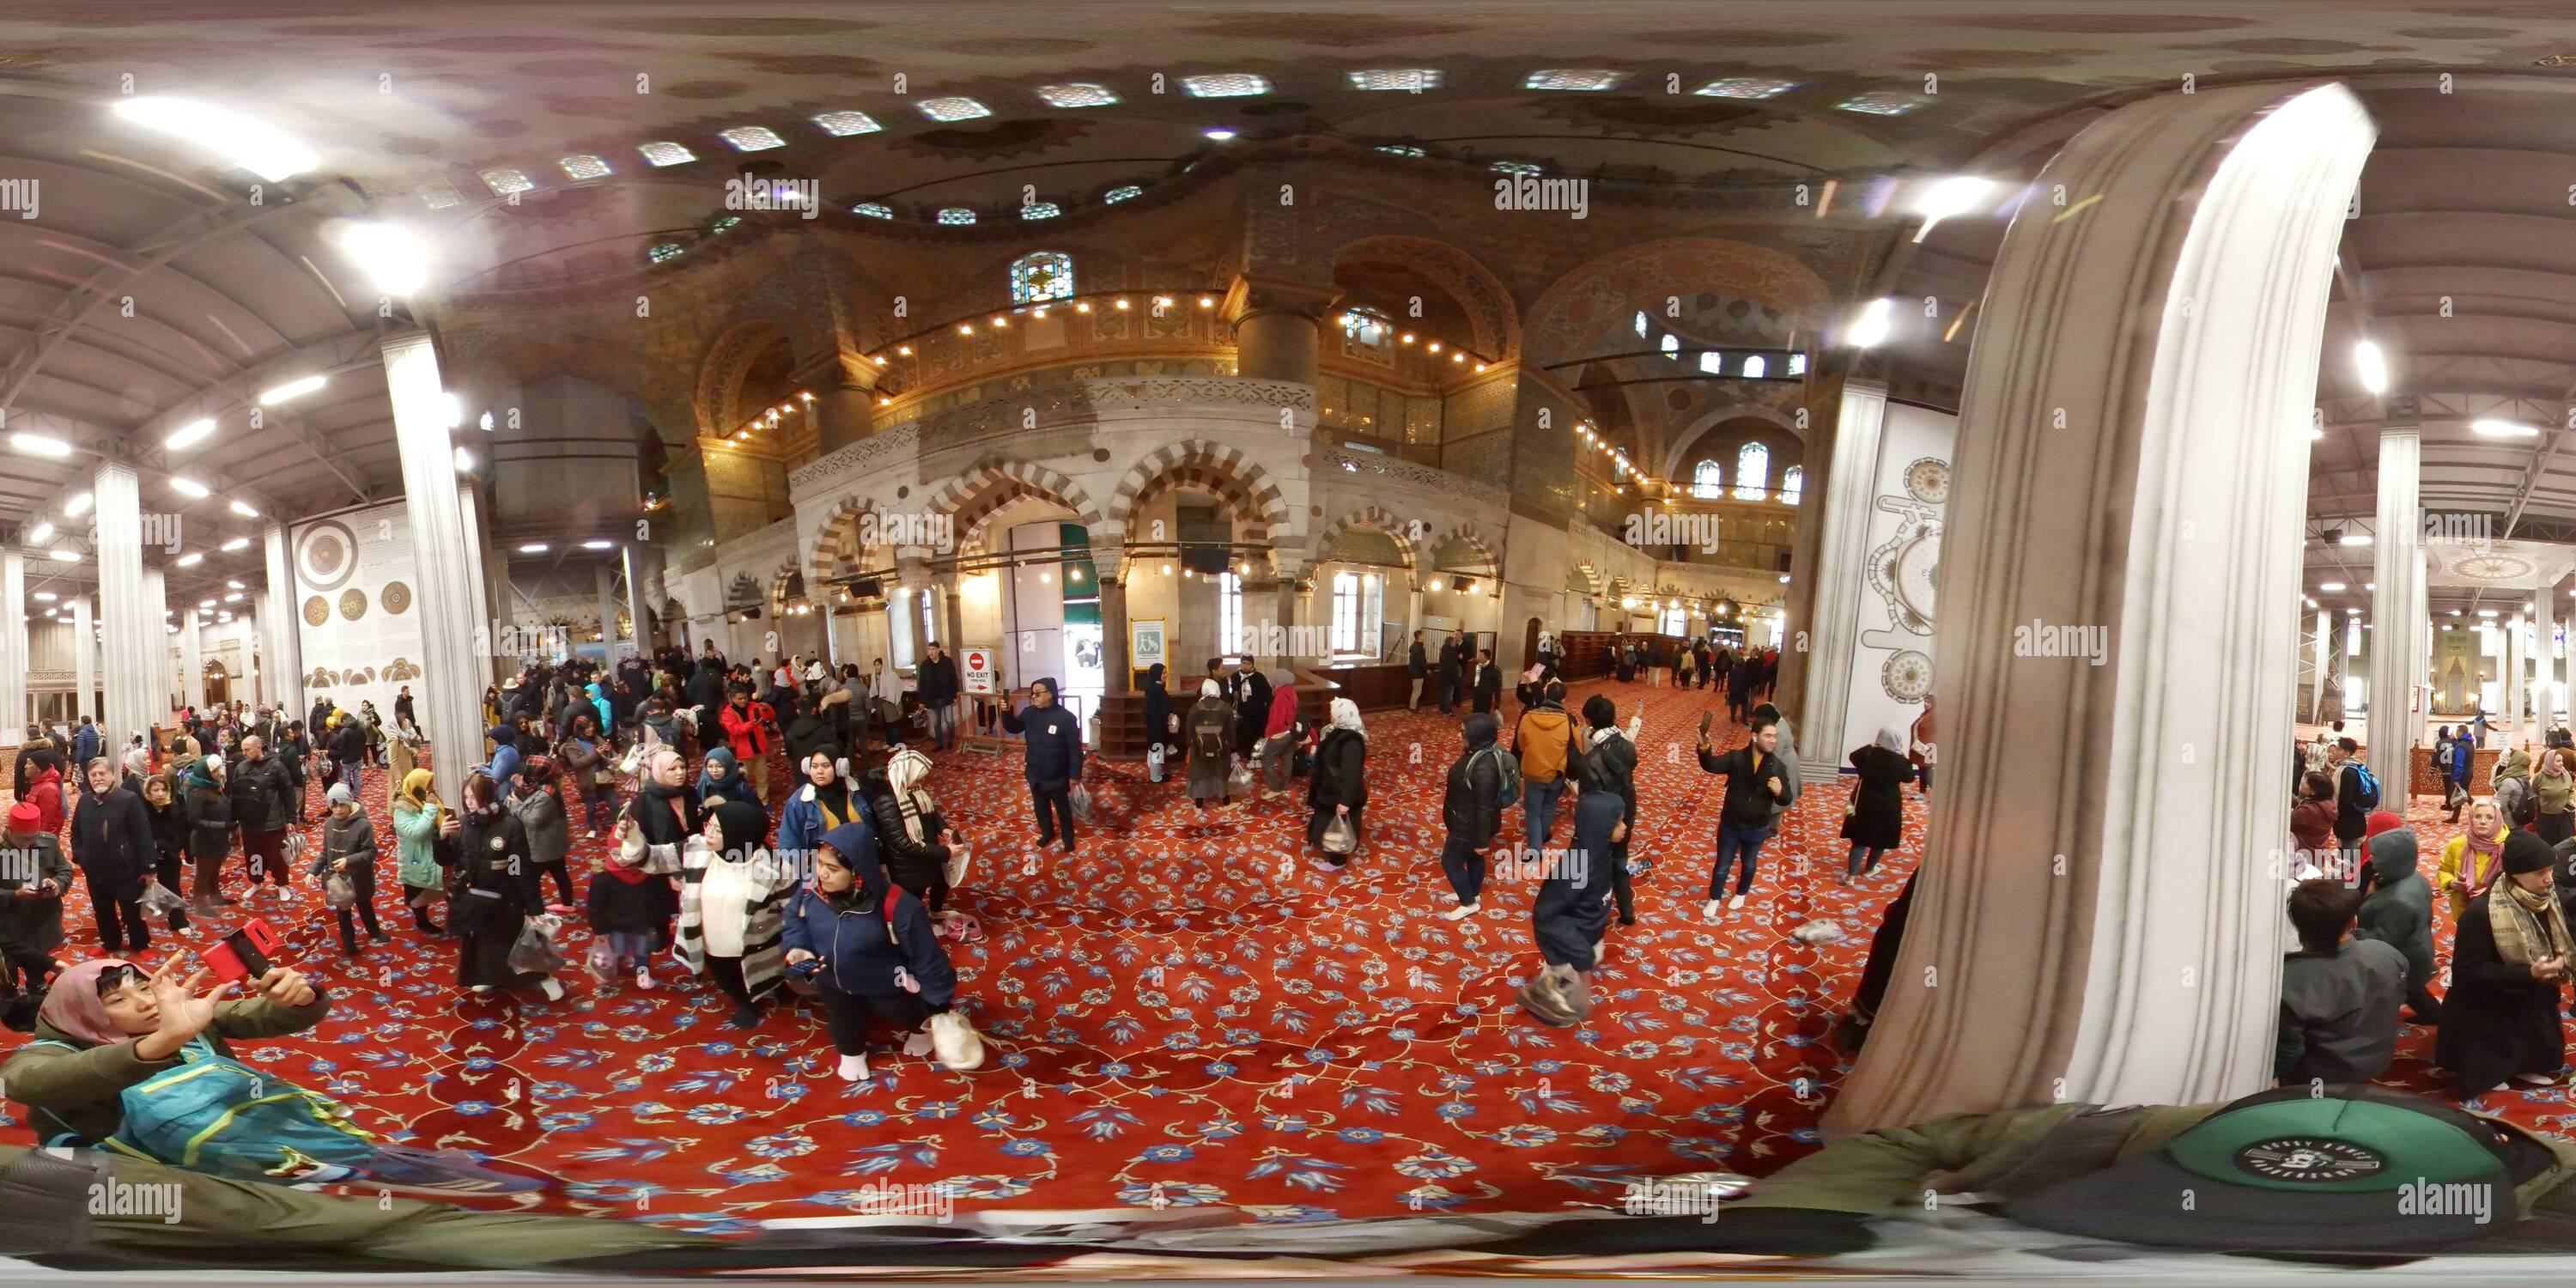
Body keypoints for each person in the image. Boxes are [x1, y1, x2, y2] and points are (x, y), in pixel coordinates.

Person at [5, 956, 325, 1148]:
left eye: (145, 988)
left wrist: (299, 998)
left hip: (220, 1134)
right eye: (118, 1000)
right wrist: (160, 1043)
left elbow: (261, 1014)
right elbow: (26, 1082)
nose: (146, 1002)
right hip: (133, 1169)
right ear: (82, 1014)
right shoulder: (59, 1047)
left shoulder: (179, 1016)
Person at [781, 822, 959, 1083]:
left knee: (905, 1011)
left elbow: (926, 958)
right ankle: (852, 1052)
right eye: (819, 863)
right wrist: (799, 948)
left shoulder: (899, 906)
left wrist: (939, 1003)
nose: (822, 874)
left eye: (833, 869)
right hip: (833, 980)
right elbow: (794, 919)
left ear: (857, 872)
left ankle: (919, 1030)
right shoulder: (810, 890)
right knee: (842, 1017)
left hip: (885, 983)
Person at [2435, 830, 2570, 1095]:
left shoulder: (2544, 900)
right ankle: (2494, 1067)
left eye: (2550, 870)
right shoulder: (2480, 914)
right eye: (2540, 873)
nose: (2548, 880)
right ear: (2516, 874)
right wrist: (2528, 973)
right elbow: (2468, 974)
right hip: (2488, 999)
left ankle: (2527, 1062)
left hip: (2532, 988)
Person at [671, 797, 793, 1023]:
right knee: (727, 977)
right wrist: (629, 838)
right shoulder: (696, 848)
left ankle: (775, 985)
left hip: (759, 941)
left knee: (766, 968)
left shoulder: (774, 866)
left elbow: (795, 908)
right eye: (709, 825)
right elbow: (653, 858)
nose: (708, 832)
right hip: (713, 942)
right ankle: (744, 1003)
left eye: (717, 829)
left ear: (739, 833)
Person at [2275, 878, 2406, 1085]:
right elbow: (2398, 998)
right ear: (2354, 922)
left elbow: (2288, 1052)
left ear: (2298, 925)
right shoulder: (2387, 953)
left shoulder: (2287, 980)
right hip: (2379, 1060)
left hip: (2319, 1078)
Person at [452, 772, 563, 1002]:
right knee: (483, 947)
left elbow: (519, 870)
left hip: (504, 900)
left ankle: (544, 979)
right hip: (475, 899)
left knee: (516, 949)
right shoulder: (464, 823)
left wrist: (533, 907)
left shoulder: (510, 825)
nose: (469, 802)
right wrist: (440, 838)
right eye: (466, 797)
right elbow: (450, 859)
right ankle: (490, 977)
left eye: (474, 797)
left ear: (488, 797)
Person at [1532, 784, 1623, 1012]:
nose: (1625, 827)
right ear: (1601, 826)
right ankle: (1545, 992)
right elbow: (1547, 915)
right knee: (1573, 975)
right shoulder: (1578, 866)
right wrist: (1581, 956)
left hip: (1588, 930)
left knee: (1593, 957)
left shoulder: (1600, 850)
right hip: (1570, 941)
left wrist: (1623, 867)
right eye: (1618, 822)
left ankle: (1557, 983)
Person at [1697, 714, 1794, 917]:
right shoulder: (1736, 758)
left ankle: (1741, 892)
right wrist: (1704, 747)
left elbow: (1787, 799)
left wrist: (1779, 791)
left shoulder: (1777, 766)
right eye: (1768, 736)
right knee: (1722, 865)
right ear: (1755, 736)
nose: (1773, 740)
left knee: (1749, 863)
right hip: (1731, 824)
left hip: (1757, 826)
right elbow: (1711, 766)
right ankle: (1714, 898)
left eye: (1774, 736)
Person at [2355, 813, 2442, 1024]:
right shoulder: (2413, 876)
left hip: (2407, 957)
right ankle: (2436, 1015)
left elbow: (2381, 940)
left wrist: (2355, 935)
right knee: (2413, 990)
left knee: (2410, 989)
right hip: (2416, 946)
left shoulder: (2398, 902)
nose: (2373, 859)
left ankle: (2437, 1016)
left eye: (2378, 856)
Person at [69, 759, 155, 955]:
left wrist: (149, 868)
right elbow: (76, 833)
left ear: (112, 775)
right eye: (93, 775)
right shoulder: (84, 801)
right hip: (95, 870)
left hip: (126, 869)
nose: (98, 778)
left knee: (132, 910)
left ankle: (140, 944)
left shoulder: (129, 799)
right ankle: (110, 942)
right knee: (102, 910)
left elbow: (143, 835)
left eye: (102, 773)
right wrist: (81, 856)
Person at [864, 748, 958, 916]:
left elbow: (931, 812)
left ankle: (934, 912)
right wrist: (946, 852)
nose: (920, 782)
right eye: (916, 778)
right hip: (907, 864)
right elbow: (903, 843)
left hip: (926, 851)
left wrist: (943, 828)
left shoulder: (913, 790)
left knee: (942, 881)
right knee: (913, 898)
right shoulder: (887, 801)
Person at [1000, 677, 1084, 855]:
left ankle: (1068, 838)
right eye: (1033, 694)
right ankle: (1047, 833)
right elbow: (1014, 728)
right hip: (1035, 772)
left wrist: (1075, 775)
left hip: (1057, 776)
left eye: (1038, 693)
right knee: (1040, 808)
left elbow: (1075, 749)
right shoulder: (1029, 713)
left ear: (1051, 694)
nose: (1034, 697)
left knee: (1063, 810)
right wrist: (1006, 713)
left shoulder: (1065, 718)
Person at [1437, 714, 1508, 922]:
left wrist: (1481, 840)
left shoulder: (1484, 767)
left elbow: (1484, 807)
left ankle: (1468, 902)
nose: (1461, 735)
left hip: (1468, 825)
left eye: (1464, 732)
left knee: (1450, 861)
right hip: (1467, 819)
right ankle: (1472, 892)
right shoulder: (1479, 754)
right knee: (1473, 858)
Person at [1576, 695, 1638, 927]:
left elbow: (1590, 804)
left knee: (1589, 866)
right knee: (1620, 861)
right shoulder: (1628, 746)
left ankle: (1589, 912)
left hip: (1603, 821)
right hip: (1627, 812)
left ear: (1590, 721)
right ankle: (1627, 912)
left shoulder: (1591, 760)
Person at [0, 802, 72, 994]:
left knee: (38, 964)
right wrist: (14, 895)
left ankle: (36, 987)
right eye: (22, 839)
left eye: (32, 838)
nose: (27, 843)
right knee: (8, 970)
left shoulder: (48, 842)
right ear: (9, 829)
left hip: (42, 920)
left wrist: (58, 885)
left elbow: (65, 870)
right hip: (9, 922)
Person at [310, 782, 388, 956]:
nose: (338, 810)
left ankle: (374, 932)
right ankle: (348, 942)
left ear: (350, 803)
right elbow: (325, 853)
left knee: (364, 905)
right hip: (338, 879)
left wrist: (348, 860)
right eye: (334, 805)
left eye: (342, 805)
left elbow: (371, 852)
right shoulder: (329, 824)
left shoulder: (363, 825)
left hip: (358, 876)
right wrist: (312, 871)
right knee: (343, 912)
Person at [1512, 679, 1582, 854]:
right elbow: (1578, 747)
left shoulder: (1528, 716)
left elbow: (1521, 744)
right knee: (1549, 807)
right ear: (1564, 699)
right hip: (1557, 771)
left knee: (1532, 811)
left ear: (1546, 694)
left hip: (1533, 770)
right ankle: (1541, 837)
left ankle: (1535, 847)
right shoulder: (1569, 720)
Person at [1841, 726, 1917, 884]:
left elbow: (1853, 755)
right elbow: (1910, 777)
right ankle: (1869, 870)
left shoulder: (1868, 755)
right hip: (1889, 804)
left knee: (1860, 839)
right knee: (1881, 838)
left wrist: (1873, 744)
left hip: (1865, 801)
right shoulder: (1898, 761)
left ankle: (1851, 876)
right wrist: (1902, 754)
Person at [228, 735, 296, 898]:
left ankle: (281, 885)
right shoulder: (241, 768)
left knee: (277, 856)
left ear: (259, 747)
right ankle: (256, 882)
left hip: (272, 822)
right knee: (254, 856)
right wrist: (234, 818)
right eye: (242, 750)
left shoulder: (276, 766)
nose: (244, 753)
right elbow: (235, 794)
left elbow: (288, 793)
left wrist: (291, 819)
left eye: (247, 749)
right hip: (249, 823)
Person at [391, 769, 456, 936]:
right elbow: (416, 833)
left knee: (448, 886)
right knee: (418, 894)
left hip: (434, 852)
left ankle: (457, 916)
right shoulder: (402, 809)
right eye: (428, 785)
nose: (431, 788)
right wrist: (430, 809)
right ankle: (422, 922)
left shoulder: (424, 801)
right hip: (416, 859)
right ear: (416, 787)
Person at [506, 762, 579, 908]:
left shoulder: (545, 795)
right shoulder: (544, 788)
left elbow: (532, 820)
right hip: (552, 843)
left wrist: (516, 804)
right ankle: (567, 904)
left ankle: (535, 909)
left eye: (521, 777)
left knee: (530, 879)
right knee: (560, 873)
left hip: (543, 846)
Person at [777, 746, 862, 869]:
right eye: (814, 766)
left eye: (826, 766)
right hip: (823, 872)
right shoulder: (799, 802)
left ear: (840, 768)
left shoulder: (858, 791)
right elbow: (788, 847)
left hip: (862, 864)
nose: (819, 771)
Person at [1307, 698, 1368, 863]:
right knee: (1325, 822)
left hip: (1339, 793)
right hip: (1329, 788)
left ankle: (1337, 861)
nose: (1330, 715)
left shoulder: (1351, 742)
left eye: (1333, 712)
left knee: (1339, 831)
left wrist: (1345, 801)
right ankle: (1319, 840)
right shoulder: (1337, 731)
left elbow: (1352, 773)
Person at [2439, 798, 2511, 921]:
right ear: (2471, 819)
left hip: (2497, 910)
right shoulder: (2457, 844)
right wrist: (2451, 882)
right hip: (2463, 908)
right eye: (2477, 816)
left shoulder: (2509, 846)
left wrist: (2493, 890)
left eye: (2489, 817)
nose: (2483, 821)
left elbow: (2518, 880)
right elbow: (2443, 870)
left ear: (2497, 820)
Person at [134, 776, 188, 937]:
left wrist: (169, 847)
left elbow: (182, 834)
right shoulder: (140, 810)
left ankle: (178, 921)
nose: (159, 794)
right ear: (148, 793)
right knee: (139, 889)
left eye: (163, 790)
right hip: (146, 857)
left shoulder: (175, 809)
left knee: (172, 888)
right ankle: (136, 920)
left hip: (169, 856)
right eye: (155, 790)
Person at [556, 713, 617, 838]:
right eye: (587, 728)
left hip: (603, 776)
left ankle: (616, 826)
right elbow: (578, 763)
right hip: (587, 779)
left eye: (592, 726)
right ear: (580, 729)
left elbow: (608, 755)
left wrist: (608, 749)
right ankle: (592, 827)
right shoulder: (572, 743)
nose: (591, 730)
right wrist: (596, 754)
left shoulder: (596, 738)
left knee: (614, 803)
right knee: (591, 807)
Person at [719, 683, 779, 804]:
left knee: (762, 778)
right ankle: (744, 802)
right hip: (742, 752)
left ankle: (763, 801)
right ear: (732, 698)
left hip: (758, 748)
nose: (744, 701)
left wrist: (767, 708)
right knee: (741, 779)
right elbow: (735, 730)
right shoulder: (727, 713)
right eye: (740, 698)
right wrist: (753, 724)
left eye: (745, 697)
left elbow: (770, 717)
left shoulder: (754, 706)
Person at [1185, 678, 1235, 813]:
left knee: (1200, 774)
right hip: (1221, 749)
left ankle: (1199, 806)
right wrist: (1233, 748)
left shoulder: (1195, 708)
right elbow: (1231, 731)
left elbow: (1188, 730)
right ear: (1217, 690)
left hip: (1199, 748)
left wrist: (1190, 744)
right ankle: (1226, 803)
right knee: (1221, 773)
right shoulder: (1225, 708)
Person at [2326, 737, 2371, 877]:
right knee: (2347, 851)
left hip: (2348, 821)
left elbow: (2345, 800)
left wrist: (2335, 815)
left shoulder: (2347, 771)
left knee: (2349, 856)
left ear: (2346, 753)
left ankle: (2350, 882)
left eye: (2338, 749)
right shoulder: (2356, 767)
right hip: (2354, 818)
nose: (2335, 752)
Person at [1258, 669, 1298, 797]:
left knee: (1267, 759)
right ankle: (1284, 784)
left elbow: (1277, 721)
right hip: (1292, 731)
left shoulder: (1280, 696)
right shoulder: (1291, 691)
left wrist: (1268, 734)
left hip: (1280, 734)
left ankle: (1275, 789)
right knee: (1287, 758)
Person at [2287, 771, 2336, 872]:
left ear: (2313, 791)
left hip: (2305, 852)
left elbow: (2285, 824)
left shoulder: (2308, 811)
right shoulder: (2327, 804)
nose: (2302, 785)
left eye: (2305, 783)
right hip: (2318, 851)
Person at [918, 642, 962, 752]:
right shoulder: (925, 665)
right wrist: (921, 700)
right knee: (936, 723)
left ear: (938, 650)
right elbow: (922, 683)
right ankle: (939, 743)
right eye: (929, 649)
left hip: (946, 697)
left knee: (949, 721)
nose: (931, 652)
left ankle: (950, 740)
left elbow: (953, 679)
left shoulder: (947, 662)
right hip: (932, 699)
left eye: (933, 649)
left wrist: (955, 695)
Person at [697, 744, 762, 811]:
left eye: (720, 766)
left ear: (728, 766)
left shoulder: (741, 788)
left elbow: (758, 814)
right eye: (710, 766)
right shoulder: (705, 783)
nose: (714, 771)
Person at [1139, 663, 1173, 777]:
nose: (1166, 675)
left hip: (1157, 726)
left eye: (1165, 672)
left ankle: (1157, 773)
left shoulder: (1155, 687)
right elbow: (1156, 711)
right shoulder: (1156, 690)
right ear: (1156, 674)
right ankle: (1156, 777)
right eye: (1163, 673)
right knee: (1157, 751)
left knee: (1156, 750)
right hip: (1157, 726)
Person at [2541, 749, 2576, 847]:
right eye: (2558, 761)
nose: (2561, 764)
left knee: (2565, 844)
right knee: (2548, 844)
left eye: (2562, 761)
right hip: (2546, 817)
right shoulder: (2540, 776)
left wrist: (2570, 803)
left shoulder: (2566, 775)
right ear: (2550, 762)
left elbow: (2571, 790)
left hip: (2564, 815)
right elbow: (2535, 793)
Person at [21, 755, 64, 837]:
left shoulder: (48, 789)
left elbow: (50, 823)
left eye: (29, 764)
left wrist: (44, 842)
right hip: (34, 834)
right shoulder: (37, 783)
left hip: (42, 840)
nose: (25, 766)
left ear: (39, 768)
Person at [2497, 741, 2536, 824]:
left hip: (2509, 822)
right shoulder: (2524, 777)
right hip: (2520, 819)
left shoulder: (2509, 781)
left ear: (2514, 760)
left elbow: (2500, 804)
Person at [1910, 694, 1937, 796]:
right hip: (1920, 746)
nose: (1925, 704)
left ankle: (1937, 794)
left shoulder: (1934, 716)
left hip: (1929, 748)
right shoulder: (1924, 715)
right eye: (1925, 701)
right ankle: (1922, 793)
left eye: (1928, 702)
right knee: (1922, 770)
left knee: (1928, 772)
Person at [1471, 648, 1503, 715]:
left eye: (1480, 656)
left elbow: (1498, 688)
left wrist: (1497, 704)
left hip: (1486, 698)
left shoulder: (1494, 670)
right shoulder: (1478, 667)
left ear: (1486, 658)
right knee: (1475, 715)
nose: (1478, 658)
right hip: (1477, 695)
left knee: (1483, 716)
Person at [1406, 630, 1428, 712]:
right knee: (1417, 691)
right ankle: (1413, 708)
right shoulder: (1419, 648)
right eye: (1423, 635)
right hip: (1418, 672)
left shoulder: (1414, 646)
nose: (1424, 637)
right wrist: (1427, 669)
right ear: (1419, 636)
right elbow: (1421, 661)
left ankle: (1413, 707)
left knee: (1416, 690)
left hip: (1413, 671)